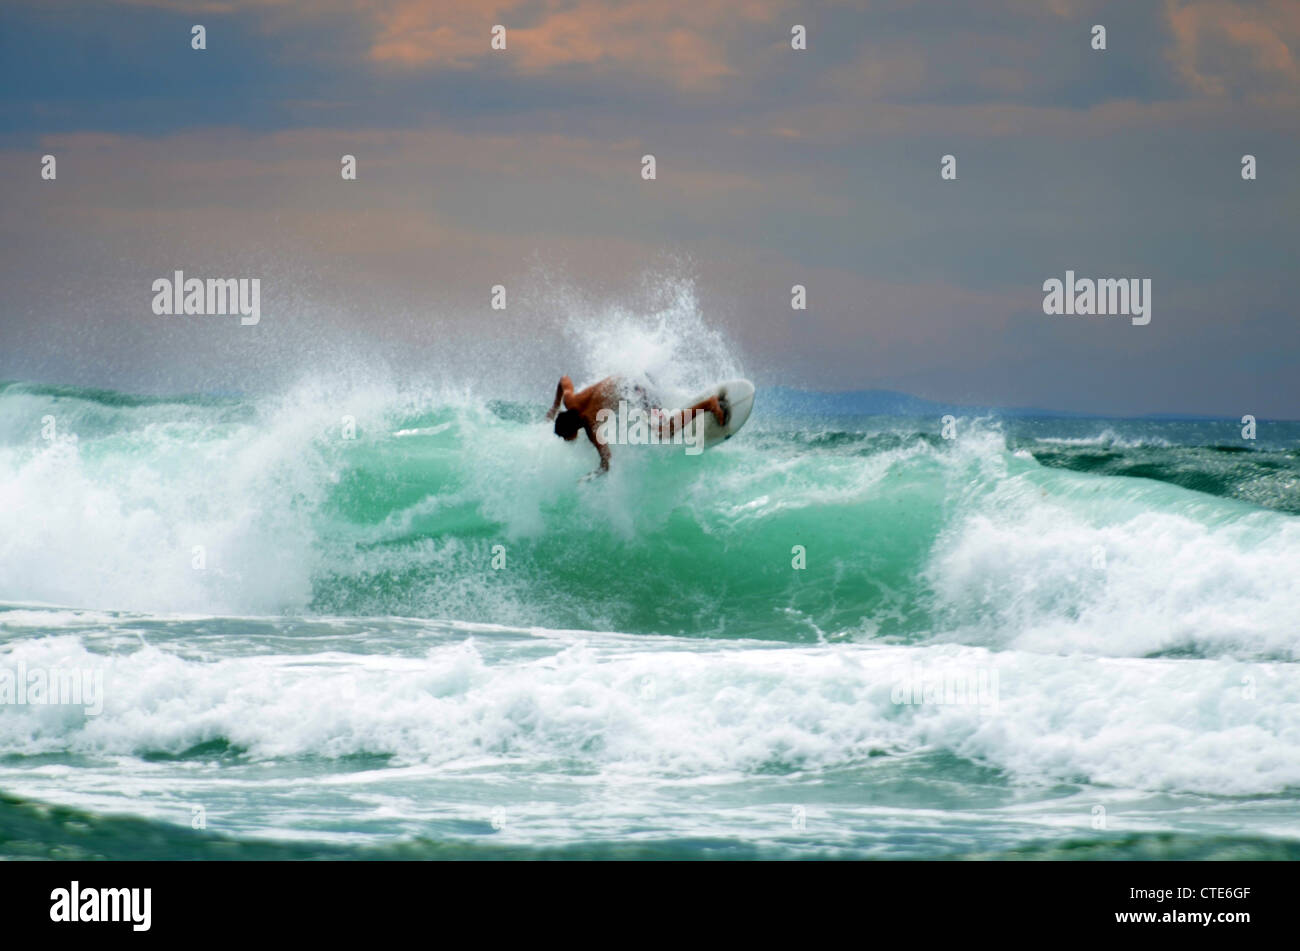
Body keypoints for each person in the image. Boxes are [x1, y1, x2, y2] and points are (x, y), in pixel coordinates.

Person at [546, 375, 726, 473]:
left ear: (573, 431)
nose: (566, 440)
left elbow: (606, 460)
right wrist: (554, 406)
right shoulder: (570, 401)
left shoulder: (591, 427)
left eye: (565, 437)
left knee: (663, 432)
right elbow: (564, 380)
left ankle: (708, 405)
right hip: (634, 376)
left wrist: (595, 474)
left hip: (639, 391)